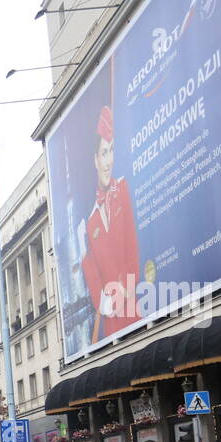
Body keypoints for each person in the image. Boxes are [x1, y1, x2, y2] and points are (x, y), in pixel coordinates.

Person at [80, 104, 141, 344]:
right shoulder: (91, 220)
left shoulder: (123, 189)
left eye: (112, 151)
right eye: (104, 153)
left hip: (132, 305)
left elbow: (132, 250)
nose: (108, 161)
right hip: (111, 320)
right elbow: (91, 268)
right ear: (95, 160)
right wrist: (102, 301)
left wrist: (123, 293)